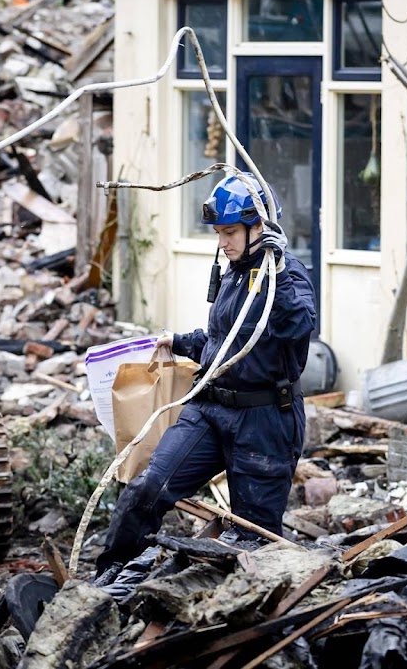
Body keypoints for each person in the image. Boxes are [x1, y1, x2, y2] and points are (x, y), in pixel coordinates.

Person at [93, 173, 316, 586]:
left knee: (253, 539)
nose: (223, 242)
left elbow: (298, 326)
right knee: (146, 490)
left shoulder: (286, 275)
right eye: (218, 232)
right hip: (210, 409)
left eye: (230, 232)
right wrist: (179, 341)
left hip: (265, 421)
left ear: (261, 228)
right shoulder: (232, 270)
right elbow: (225, 340)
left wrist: (279, 272)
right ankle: (108, 581)